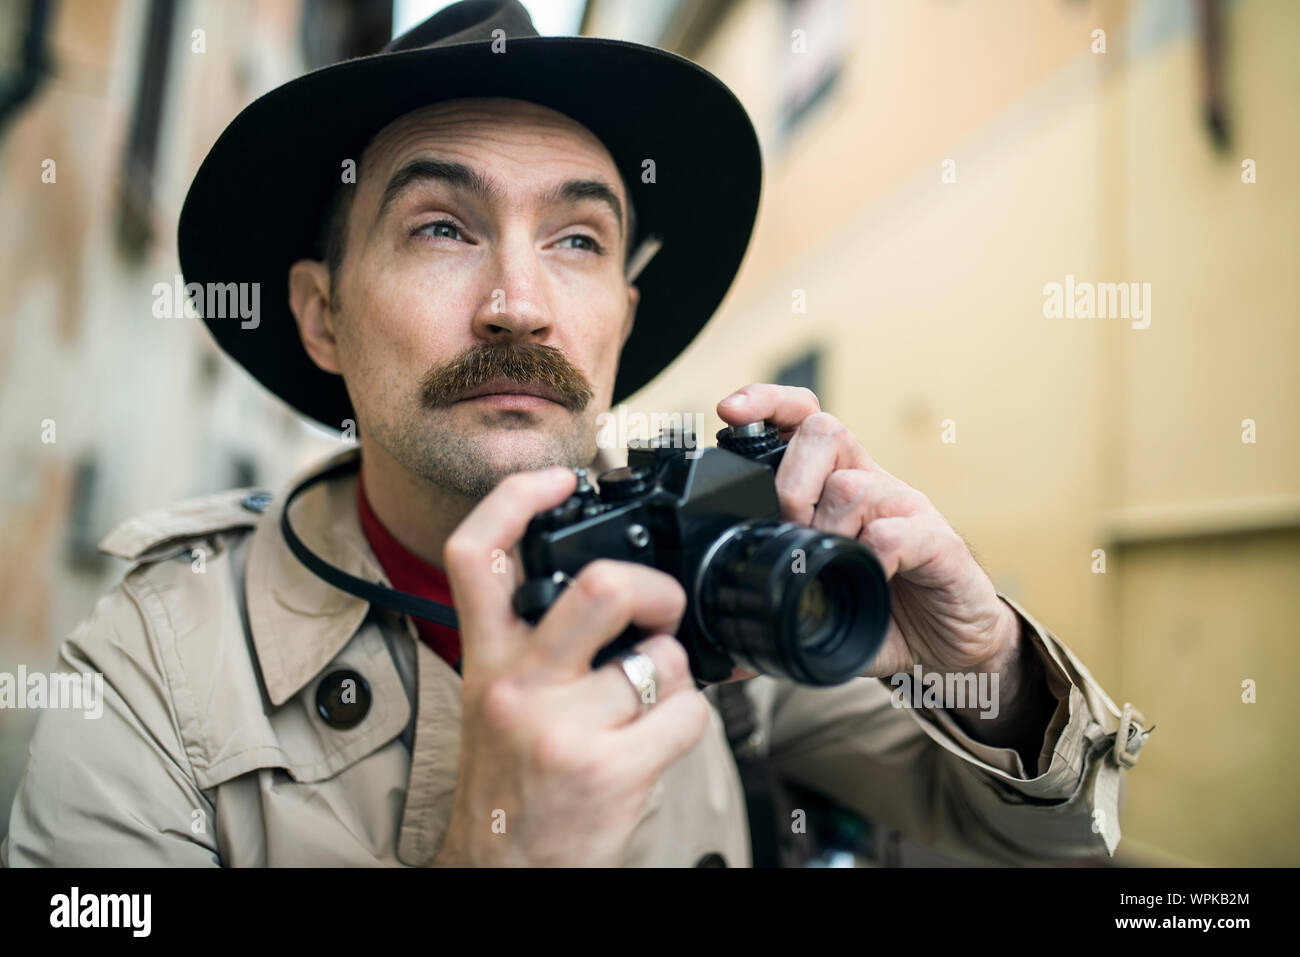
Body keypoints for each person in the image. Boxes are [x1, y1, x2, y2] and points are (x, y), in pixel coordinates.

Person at [2, 0, 1150, 867]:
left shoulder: (718, 576)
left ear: (623, 322)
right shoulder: (143, 692)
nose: (519, 303)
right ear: (320, 317)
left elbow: (1039, 851)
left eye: (579, 241)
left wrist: (987, 674)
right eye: (442, 227)